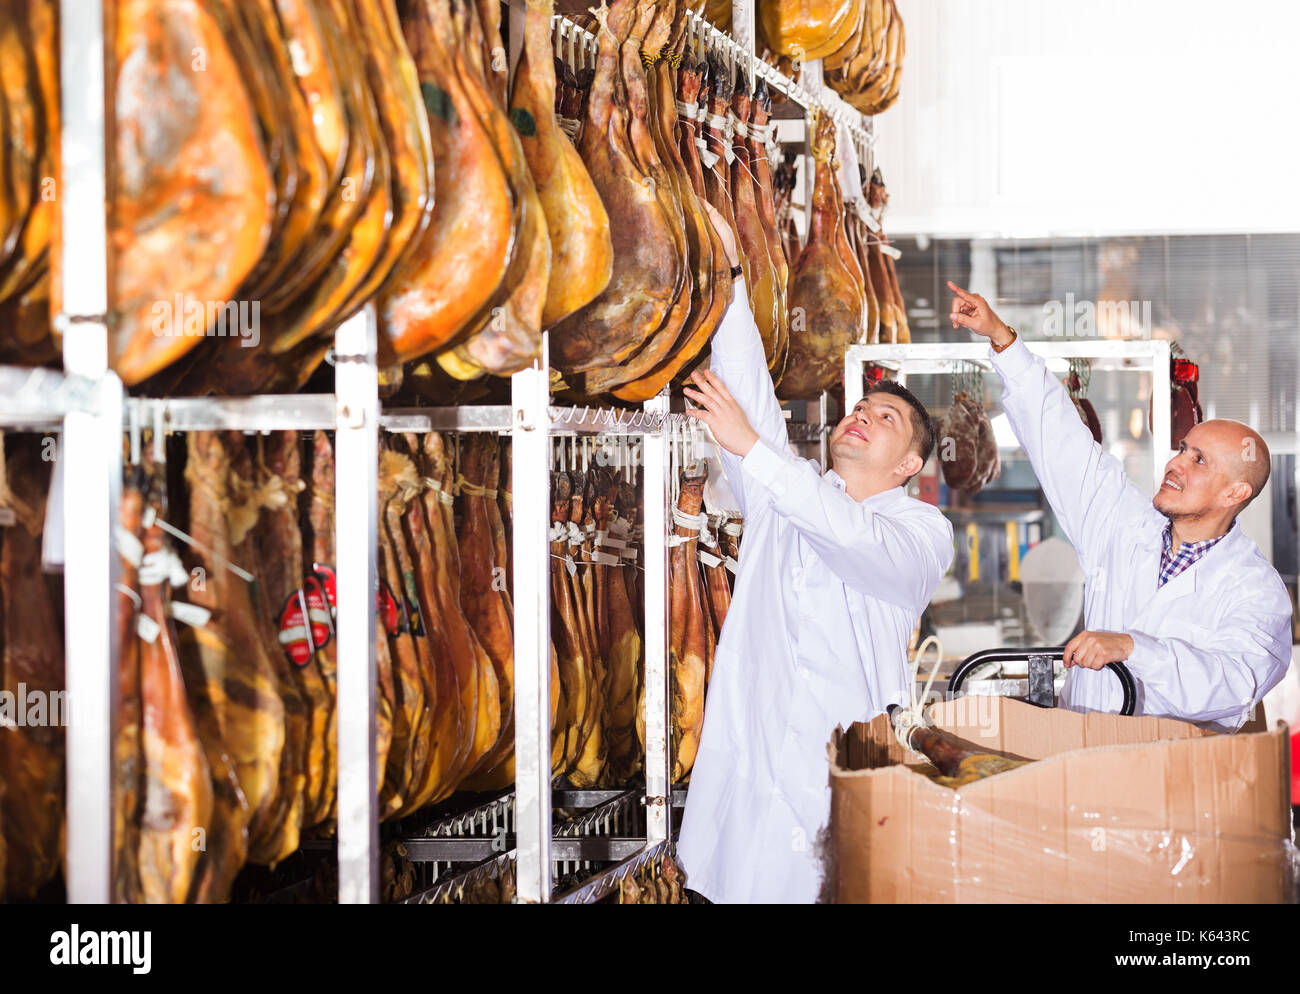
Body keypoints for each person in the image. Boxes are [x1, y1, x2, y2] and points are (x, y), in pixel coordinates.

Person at [673, 205, 954, 904]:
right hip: (749, 803)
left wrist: (752, 448)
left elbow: (850, 538)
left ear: (909, 465)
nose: (862, 416)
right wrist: (732, 274)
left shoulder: (921, 533)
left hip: (841, 802)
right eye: (860, 409)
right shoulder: (785, 494)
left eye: (885, 418)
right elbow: (749, 393)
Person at [947, 281, 1291, 732]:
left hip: (1170, 768)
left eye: (1199, 460)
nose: (1176, 463)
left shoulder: (1256, 589)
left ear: (1235, 493)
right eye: (1183, 449)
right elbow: (1063, 445)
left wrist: (1132, 648)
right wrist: (1002, 338)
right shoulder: (1125, 525)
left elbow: (1234, 683)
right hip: (1079, 753)